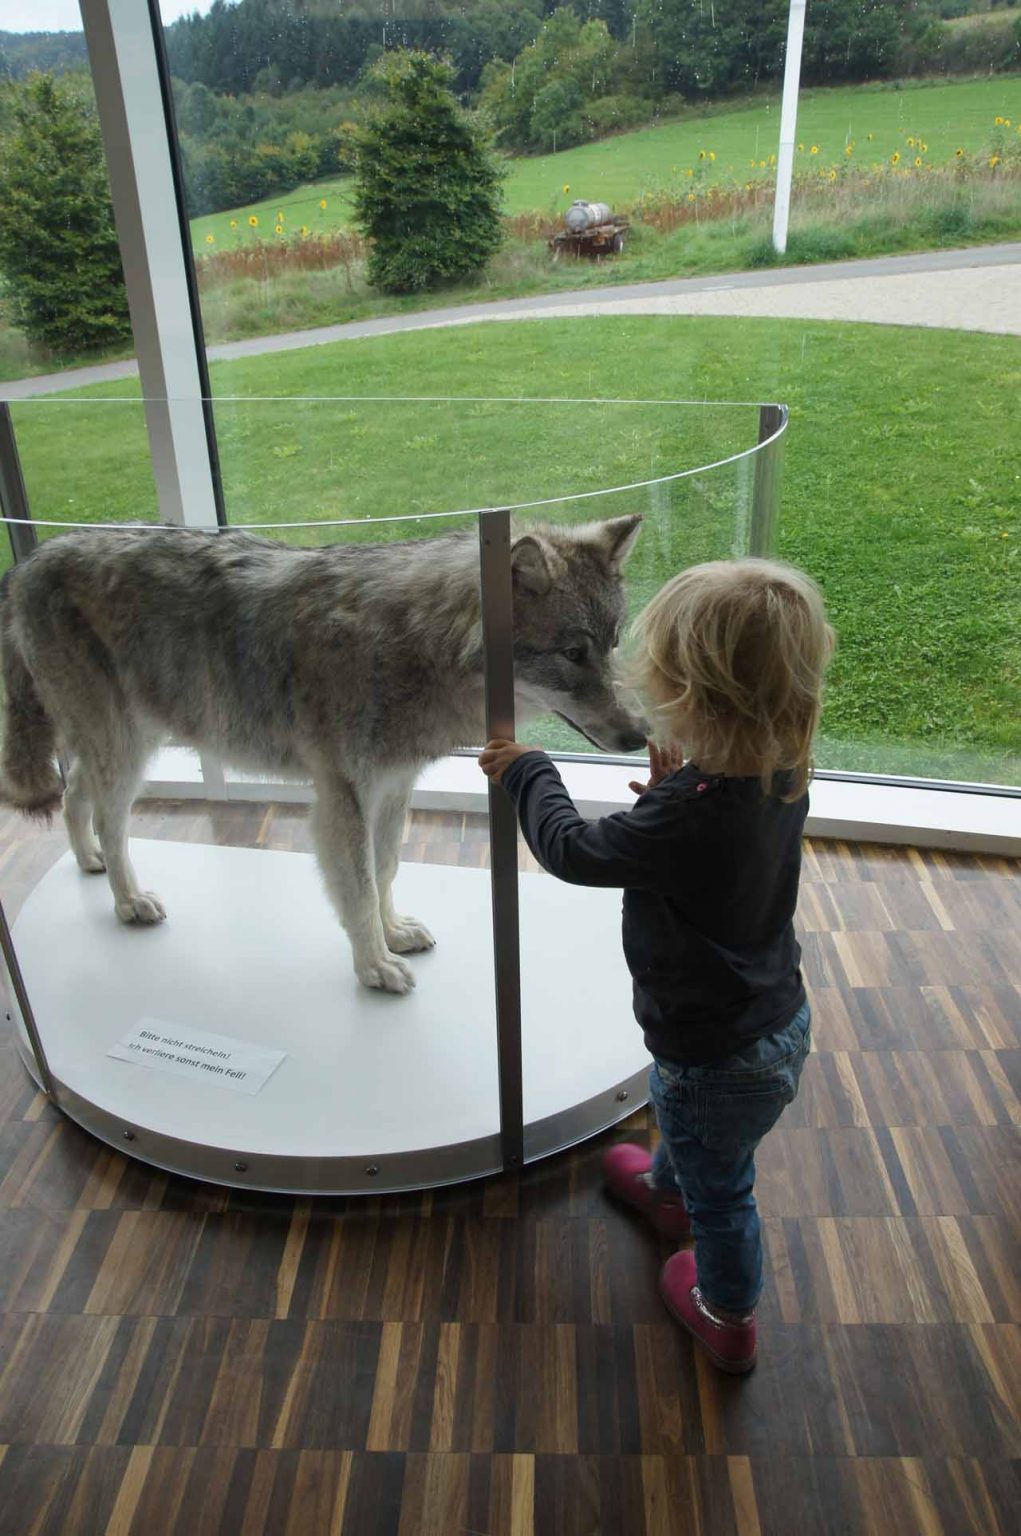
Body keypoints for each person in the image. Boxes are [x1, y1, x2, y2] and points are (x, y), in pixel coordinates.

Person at [479, 557, 835, 1373]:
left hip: (711, 1049)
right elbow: (703, 851)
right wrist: (669, 794)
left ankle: (727, 1315)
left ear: (685, 692)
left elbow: (572, 850)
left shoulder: (683, 818)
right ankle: (665, 1192)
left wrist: (530, 771)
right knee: (694, 1132)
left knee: (723, 1190)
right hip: (769, 1017)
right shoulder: (780, 763)